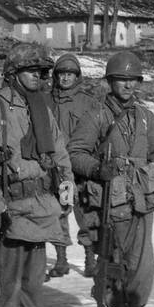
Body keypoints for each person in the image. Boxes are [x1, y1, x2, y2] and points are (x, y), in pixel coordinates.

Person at [68, 51, 154, 307]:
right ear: (110, 82)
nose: (129, 86)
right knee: (113, 268)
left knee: (142, 268)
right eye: (122, 80)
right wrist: (97, 168)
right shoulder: (96, 116)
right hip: (109, 205)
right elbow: (75, 154)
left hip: (142, 203)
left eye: (133, 80)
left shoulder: (145, 118)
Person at [0, 42, 76, 307]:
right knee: (9, 276)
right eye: (33, 71)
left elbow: (59, 151)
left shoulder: (42, 108)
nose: (40, 76)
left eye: (43, 71)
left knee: (34, 275)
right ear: (13, 74)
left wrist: (67, 184)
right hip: (11, 203)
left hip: (43, 201)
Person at [49, 53, 100, 278]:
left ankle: (90, 258)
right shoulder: (46, 100)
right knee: (59, 213)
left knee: (85, 214)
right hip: (58, 170)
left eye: (70, 74)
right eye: (62, 74)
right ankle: (61, 260)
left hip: (80, 169)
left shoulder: (89, 102)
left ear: (77, 76)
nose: (65, 78)